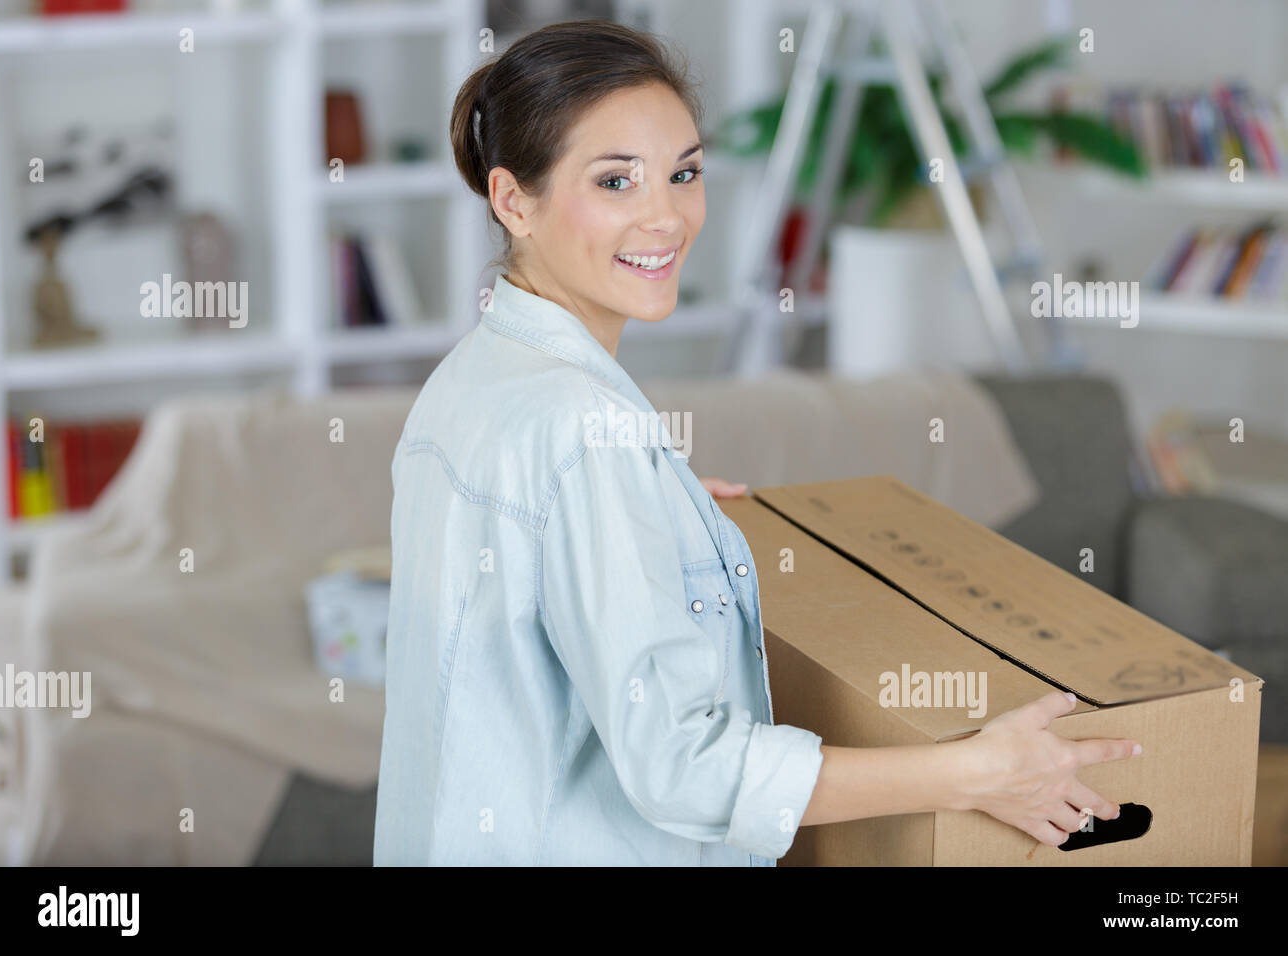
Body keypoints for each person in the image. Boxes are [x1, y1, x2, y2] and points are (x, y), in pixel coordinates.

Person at [372, 19, 1141, 866]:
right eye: (616, 181)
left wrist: (652, 509)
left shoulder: (471, 378)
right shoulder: (583, 433)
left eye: (684, 173)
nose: (665, 216)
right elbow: (682, 768)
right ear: (514, 199)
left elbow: (515, 567)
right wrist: (971, 772)